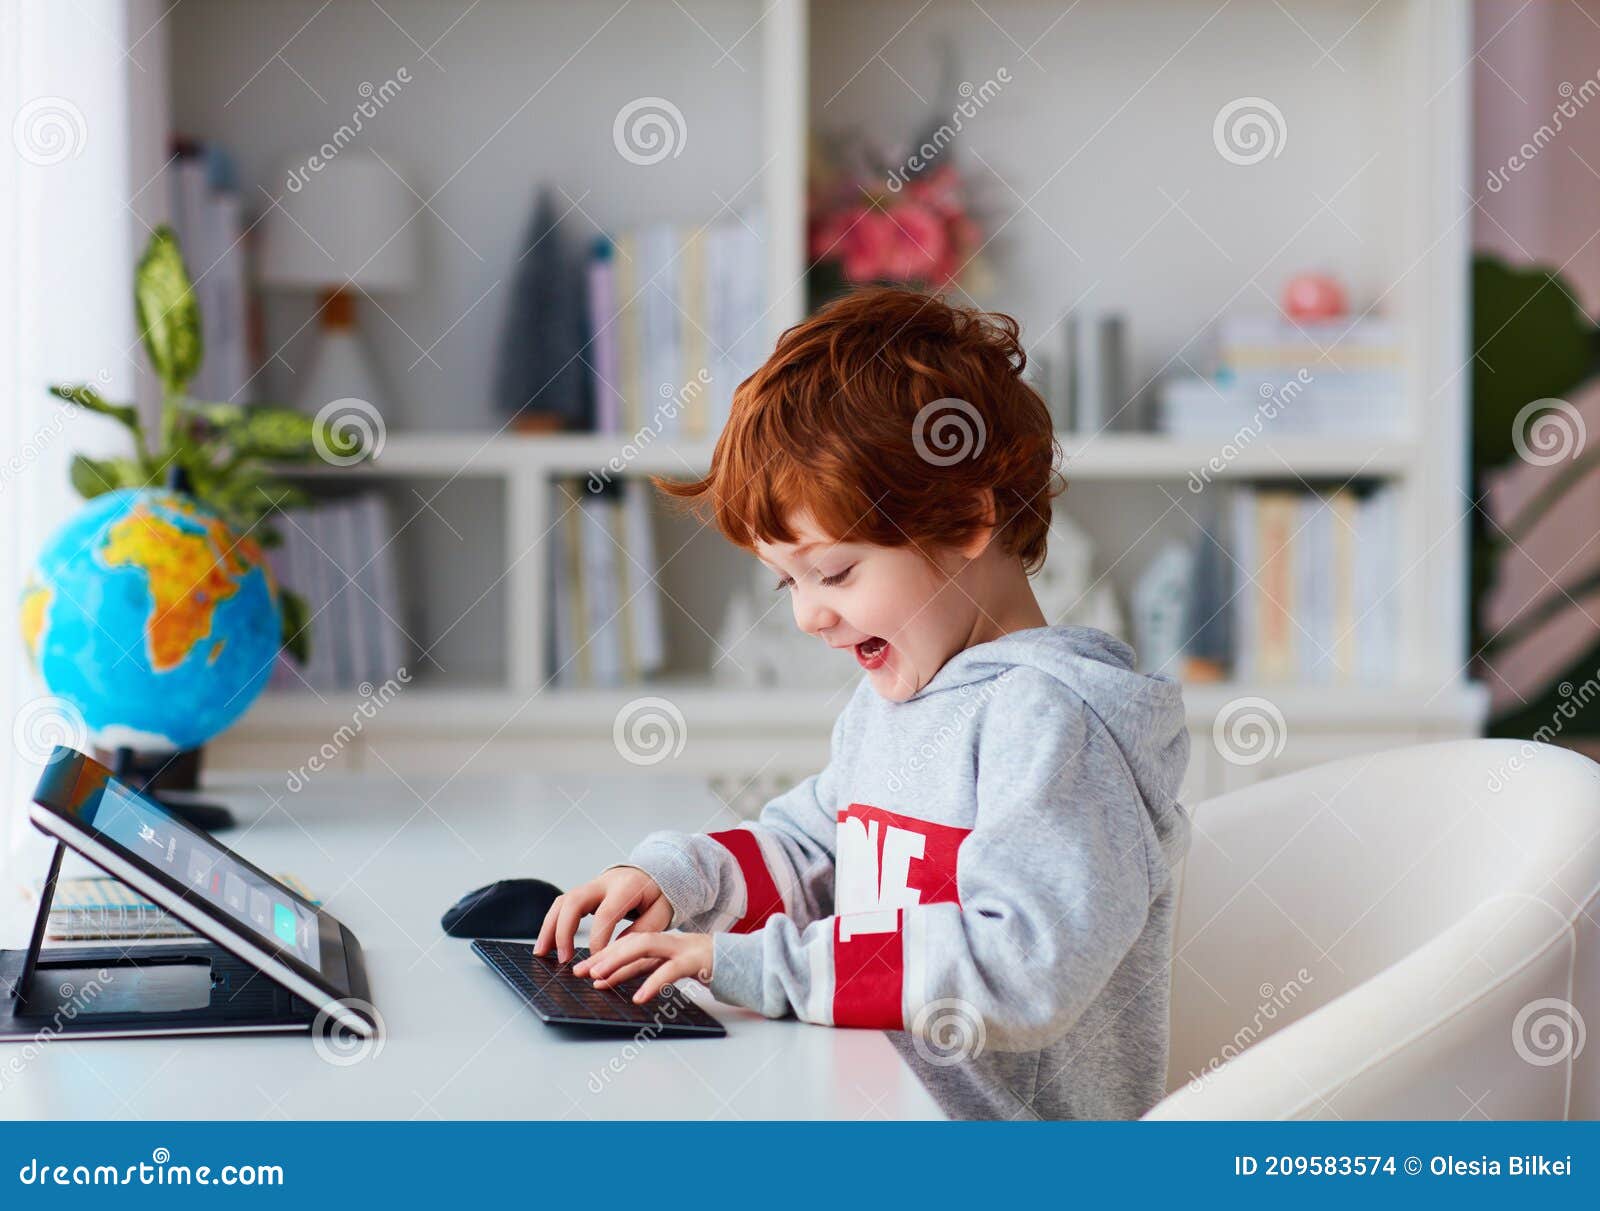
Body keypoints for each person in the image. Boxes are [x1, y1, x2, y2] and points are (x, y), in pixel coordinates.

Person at [535, 284, 1191, 1120]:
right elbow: (815, 845)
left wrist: (751, 965)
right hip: (864, 1098)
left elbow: (1023, 963)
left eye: (837, 572)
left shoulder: (1051, 723)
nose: (810, 614)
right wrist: (676, 878)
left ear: (966, 517)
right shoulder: (897, 699)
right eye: (789, 584)